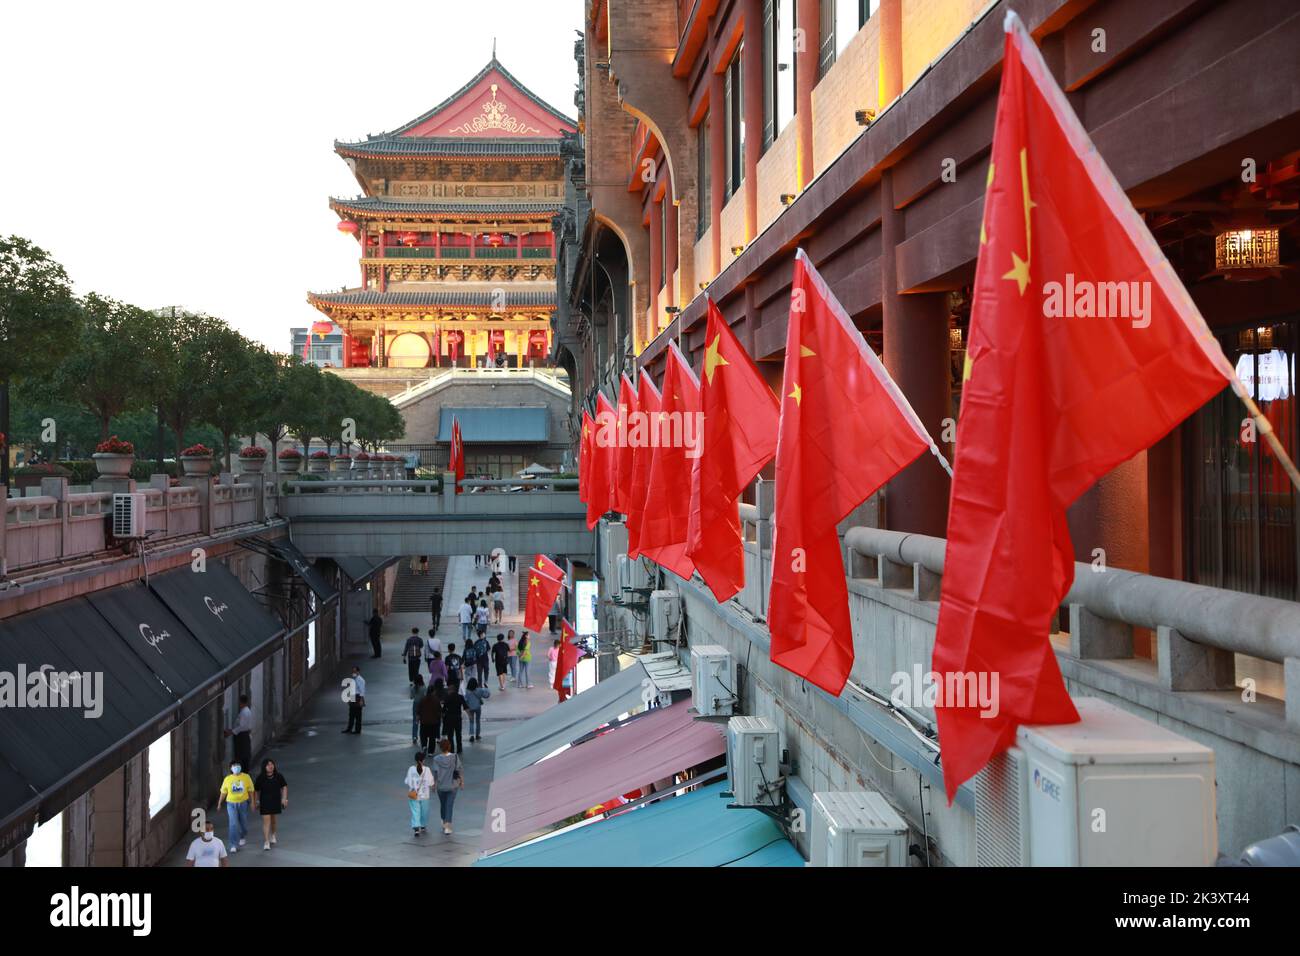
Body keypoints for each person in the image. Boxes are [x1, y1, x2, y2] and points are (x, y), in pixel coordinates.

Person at [217, 760, 254, 853]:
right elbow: (223, 792)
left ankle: (242, 835)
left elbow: (250, 790)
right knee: (233, 823)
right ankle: (233, 844)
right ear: (231, 768)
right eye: (234, 765)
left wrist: (253, 802)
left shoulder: (246, 777)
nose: (236, 767)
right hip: (231, 804)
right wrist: (219, 803)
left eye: (238, 765)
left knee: (244, 824)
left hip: (243, 803)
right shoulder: (227, 779)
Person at [252, 758, 288, 851]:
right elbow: (256, 790)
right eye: (268, 765)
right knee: (266, 822)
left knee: (273, 820)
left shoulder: (279, 776)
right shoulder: (260, 778)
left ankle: (273, 834)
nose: (270, 766)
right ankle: (266, 841)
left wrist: (284, 798)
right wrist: (256, 801)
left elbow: (284, 786)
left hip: (275, 801)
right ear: (264, 767)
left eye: (272, 764)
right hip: (265, 802)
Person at [431, 737, 464, 835]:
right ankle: (447, 826)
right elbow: (459, 770)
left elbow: (436, 773)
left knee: (443, 804)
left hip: (441, 786)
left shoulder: (436, 759)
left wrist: (434, 785)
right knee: (449, 805)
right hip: (452, 785)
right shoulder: (455, 757)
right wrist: (461, 781)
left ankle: (443, 820)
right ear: (449, 747)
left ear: (440, 748)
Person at [405, 750, 435, 836]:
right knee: (424, 811)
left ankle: (416, 827)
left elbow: (407, 781)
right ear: (423, 760)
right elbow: (430, 782)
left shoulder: (411, 769)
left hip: (414, 794)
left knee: (415, 811)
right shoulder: (427, 769)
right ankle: (423, 825)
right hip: (425, 795)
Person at [224, 694, 252, 771]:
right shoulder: (246, 711)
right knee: (243, 755)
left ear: (241, 702)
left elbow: (242, 726)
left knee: (241, 755)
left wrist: (231, 732)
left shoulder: (244, 712)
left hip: (242, 737)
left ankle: (242, 772)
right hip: (243, 735)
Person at [417, 685, 443, 755]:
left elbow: (419, 710)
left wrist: (418, 718)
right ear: (433, 691)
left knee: (423, 735)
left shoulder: (423, 699)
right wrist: (439, 718)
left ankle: (424, 746)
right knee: (432, 737)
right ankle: (430, 752)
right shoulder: (436, 700)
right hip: (433, 722)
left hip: (424, 721)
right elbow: (439, 711)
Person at [441, 680, 465, 754]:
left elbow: (444, 709)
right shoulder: (460, 697)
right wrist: (470, 715)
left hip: (449, 718)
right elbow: (465, 706)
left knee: (450, 735)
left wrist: (442, 716)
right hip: (458, 717)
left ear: (451, 690)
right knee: (458, 734)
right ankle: (459, 748)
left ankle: (451, 749)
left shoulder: (447, 698)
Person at [464, 676, 490, 742]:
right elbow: (486, 695)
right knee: (478, 721)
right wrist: (487, 689)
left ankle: (471, 735)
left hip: (470, 708)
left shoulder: (467, 691)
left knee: (471, 721)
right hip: (478, 707)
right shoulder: (479, 690)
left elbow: (465, 700)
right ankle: (477, 735)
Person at [343, 666, 365, 734]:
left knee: (358, 715)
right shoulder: (354, 679)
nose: (353, 673)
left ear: (358, 672)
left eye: (355, 672)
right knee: (351, 714)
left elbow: (362, 691)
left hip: (358, 697)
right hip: (353, 696)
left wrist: (361, 700)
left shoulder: (360, 680)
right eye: (352, 672)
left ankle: (357, 730)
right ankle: (349, 728)